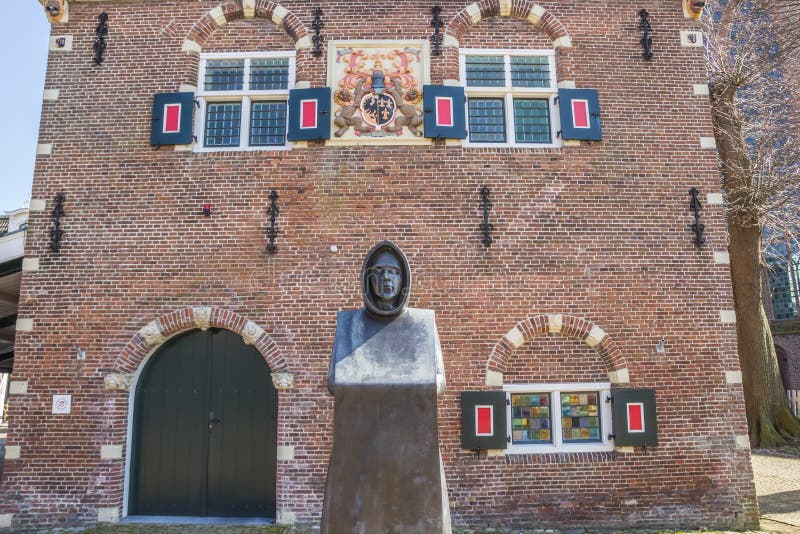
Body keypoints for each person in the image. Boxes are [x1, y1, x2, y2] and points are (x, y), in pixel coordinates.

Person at [321, 241, 450, 534]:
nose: (387, 278)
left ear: (404, 278)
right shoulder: (349, 325)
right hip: (359, 450)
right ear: (368, 279)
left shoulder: (422, 324)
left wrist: (390, 383)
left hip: (415, 450)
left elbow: (439, 382)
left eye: (393, 272)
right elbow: (333, 382)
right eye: (379, 271)